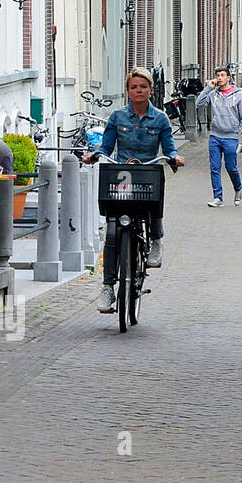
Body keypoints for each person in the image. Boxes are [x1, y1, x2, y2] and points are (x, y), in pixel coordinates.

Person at [83, 67, 185, 313]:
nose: (138, 91)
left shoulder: (160, 119)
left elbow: (169, 147)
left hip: (147, 174)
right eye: (133, 87)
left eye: (143, 87)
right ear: (128, 91)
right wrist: (95, 155)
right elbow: (106, 147)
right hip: (121, 178)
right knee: (112, 231)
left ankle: (157, 240)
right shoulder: (117, 118)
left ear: (150, 89)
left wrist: (174, 157)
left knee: (153, 202)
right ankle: (108, 288)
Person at [195, 66, 242, 208]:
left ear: (228, 78)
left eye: (222, 75)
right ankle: (217, 197)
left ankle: (238, 189)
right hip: (215, 136)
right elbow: (199, 104)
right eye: (217, 75)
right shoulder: (213, 94)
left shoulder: (238, 95)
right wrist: (208, 88)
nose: (219, 78)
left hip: (231, 137)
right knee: (214, 168)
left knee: (231, 167)